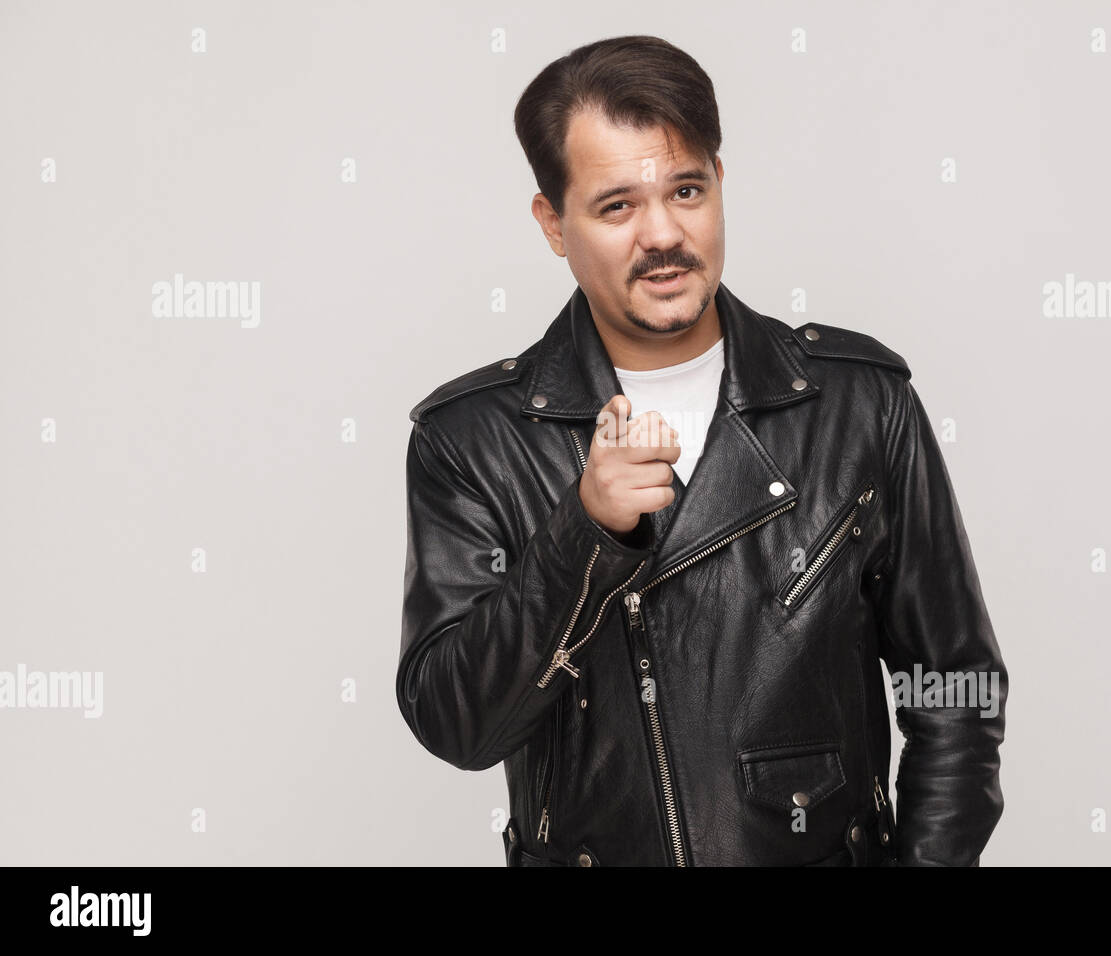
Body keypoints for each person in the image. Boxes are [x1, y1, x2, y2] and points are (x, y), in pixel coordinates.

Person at [396, 34, 1008, 866]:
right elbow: (458, 724)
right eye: (616, 207)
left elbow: (956, 688)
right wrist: (587, 533)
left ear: (721, 184)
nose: (663, 235)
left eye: (686, 190)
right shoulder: (474, 439)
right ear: (553, 223)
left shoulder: (859, 402)